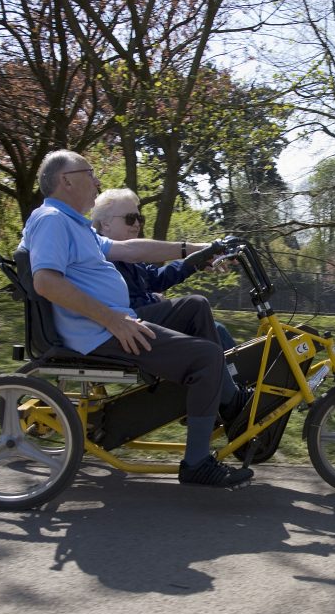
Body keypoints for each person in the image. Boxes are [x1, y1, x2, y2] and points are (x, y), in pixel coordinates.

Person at [18, 149, 251, 488]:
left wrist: (203, 249)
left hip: (112, 323)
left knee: (195, 306)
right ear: (66, 180)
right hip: (100, 333)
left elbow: (131, 250)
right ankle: (197, 462)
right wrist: (113, 320)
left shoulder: (72, 224)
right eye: (90, 173)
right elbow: (46, 281)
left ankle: (227, 403)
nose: (97, 181)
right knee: (208, 357)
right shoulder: (51, 220)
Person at [90, 188, 236, 350]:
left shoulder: (131, 258)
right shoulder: (100, 257)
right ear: (106, 224)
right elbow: (126, 303)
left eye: (140, 218)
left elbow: (156, 278)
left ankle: (232, 373)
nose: (137, 224)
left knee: (217, 329)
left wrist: (195, 263)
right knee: (196, 307)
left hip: (144, 324)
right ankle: (223, 373)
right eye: (130, 219)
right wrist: (155, 300)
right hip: (128, 331)